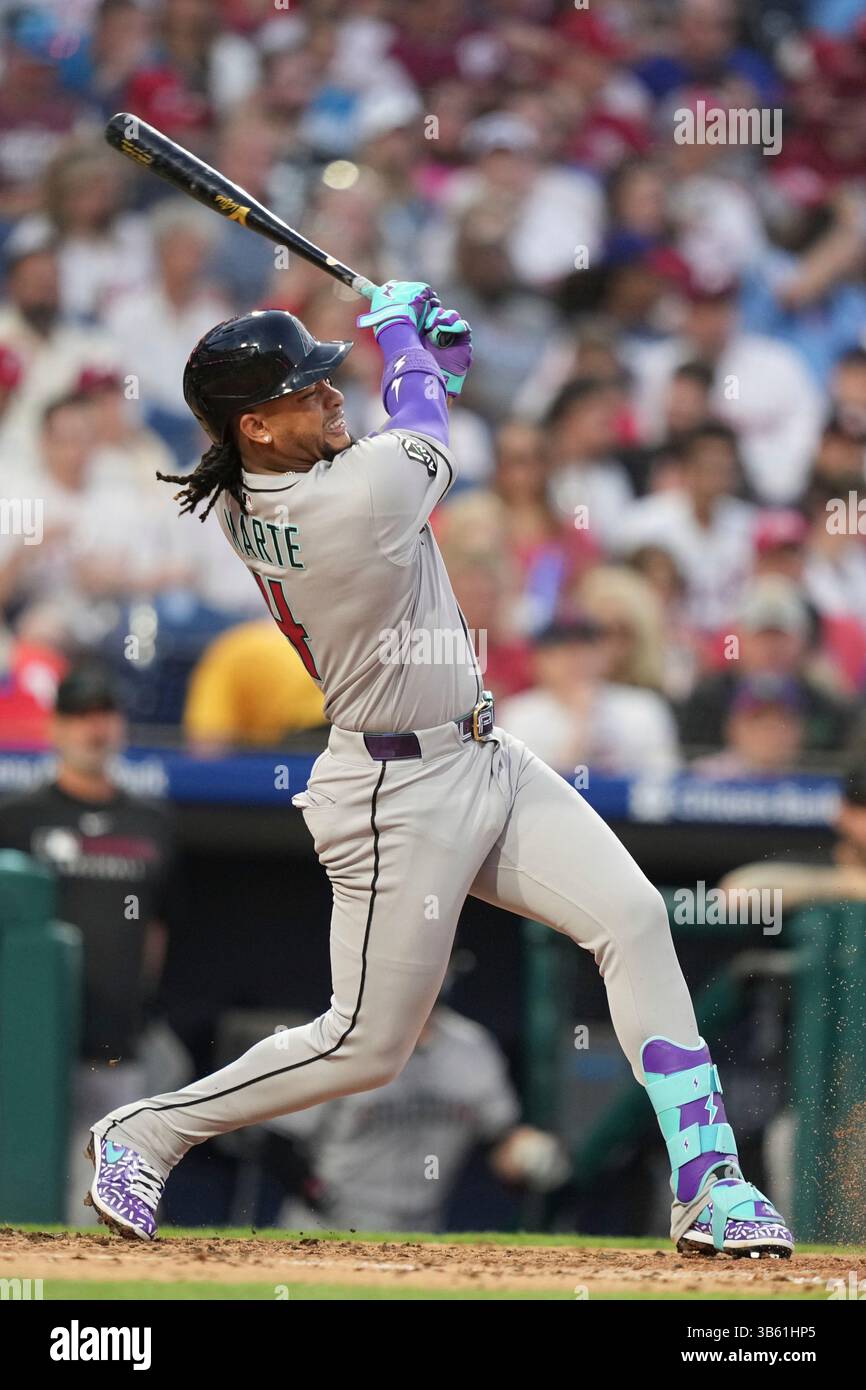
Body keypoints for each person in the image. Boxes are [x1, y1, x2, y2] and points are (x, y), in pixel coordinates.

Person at [85, 280, 792, 1259]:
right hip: (393, 791)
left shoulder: (271, 476)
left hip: (479, 753)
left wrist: (432, 361)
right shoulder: (338, 500)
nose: (332, 396)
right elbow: (418, 430)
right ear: (255, 426)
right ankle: (145, 1131)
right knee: (365, 1044)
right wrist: (401, 336)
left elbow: (416, 418)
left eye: (331, 381)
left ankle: (706, 1179)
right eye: (306, 390)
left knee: (631, 917)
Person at [0, 663, 179, 1220]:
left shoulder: (150, 820)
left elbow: (159, 929)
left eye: (103, 715)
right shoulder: (19, 817)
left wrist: (139, 1010)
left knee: (105, 1210)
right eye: (79, 717)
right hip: (28, 1048)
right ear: (55, 728)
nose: (93, 729)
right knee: (21, 1199)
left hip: (114, 1048)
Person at [268, 1002, 568, 1234]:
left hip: (418, 1236)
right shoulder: (338, 1037)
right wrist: (317, 1195)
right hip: (326, 1228)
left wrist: (527, 1154)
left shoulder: (472, 1046)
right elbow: (278, 1141)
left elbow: (500, 1138)